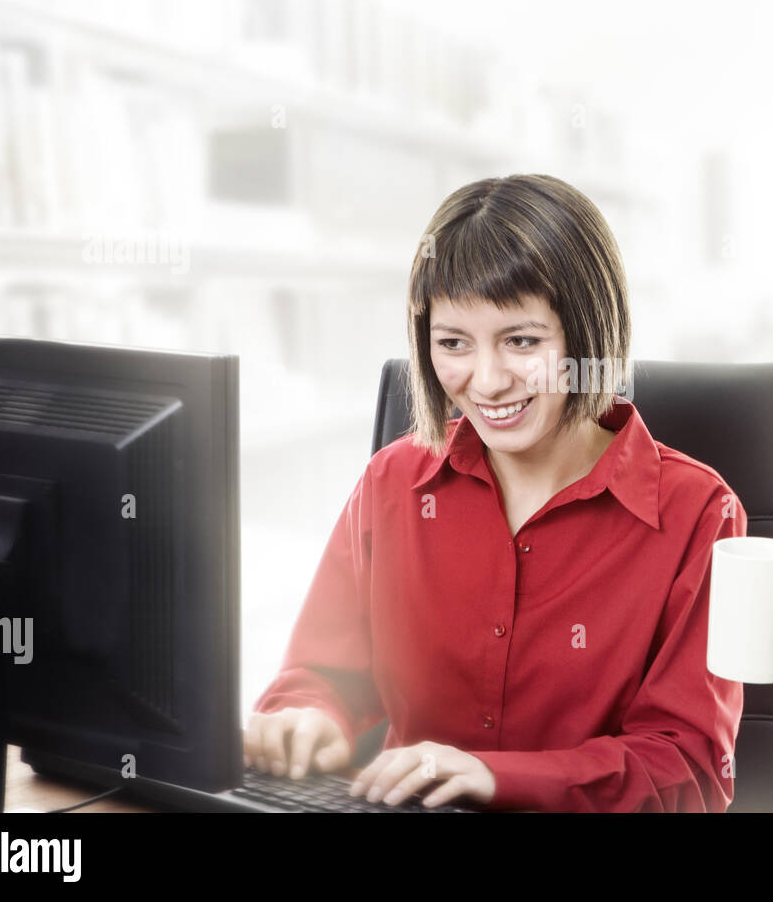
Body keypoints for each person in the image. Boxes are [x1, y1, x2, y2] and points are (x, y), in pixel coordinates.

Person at [243, 173, 746, 811]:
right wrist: (307, 715)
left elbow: (689, 770)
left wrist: (494, 777)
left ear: (587, 336)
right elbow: (322, 675)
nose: (486, 381)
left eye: (521, 342)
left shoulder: (699, 513)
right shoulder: (394, 482)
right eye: (453, 343)